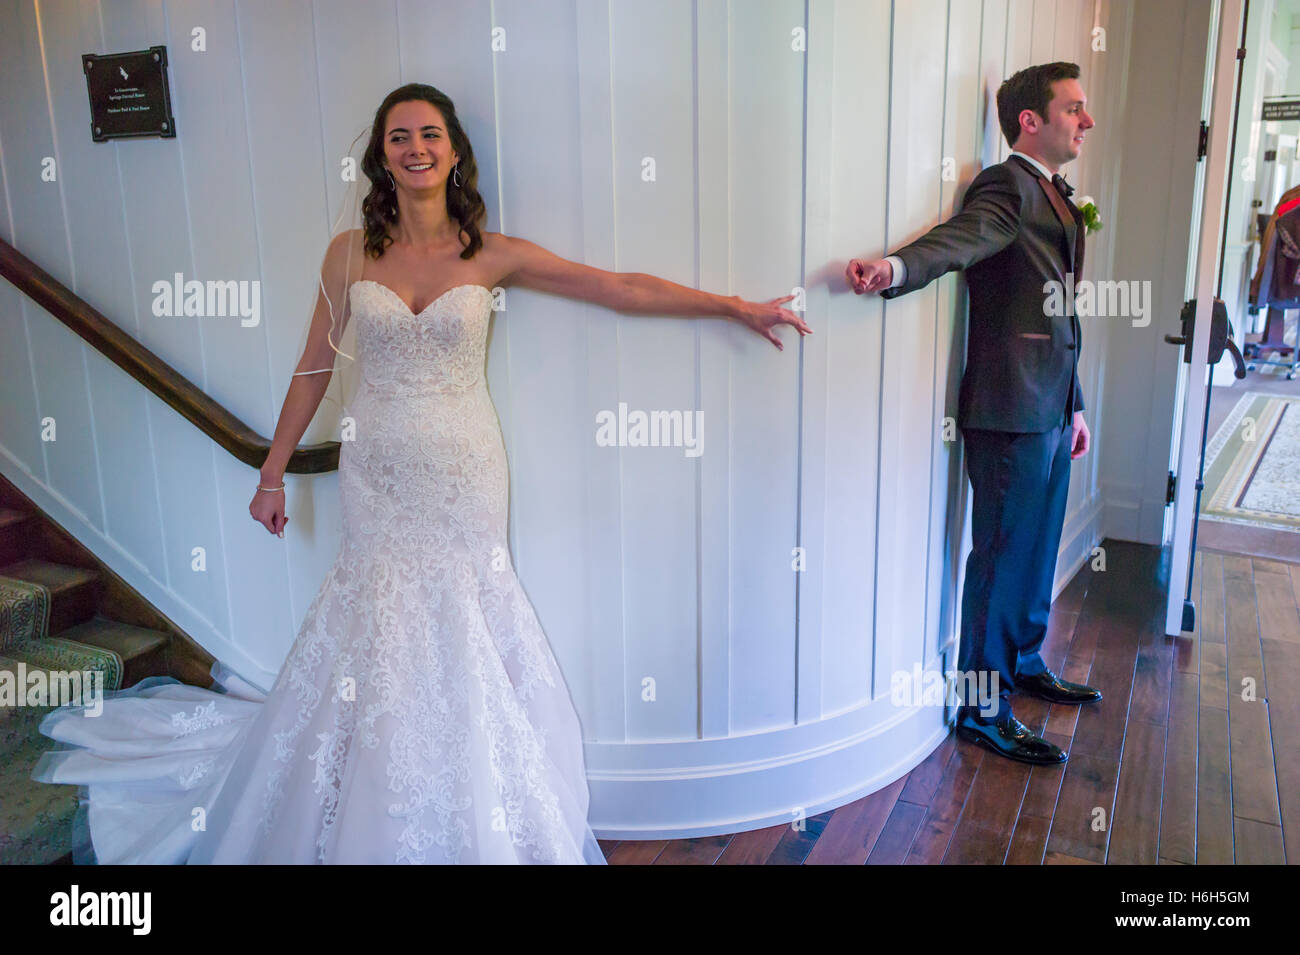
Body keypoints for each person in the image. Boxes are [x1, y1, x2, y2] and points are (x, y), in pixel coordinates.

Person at [31, 83, 811, 863]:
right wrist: (271, 470)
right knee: (378, 617)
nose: (415, 148)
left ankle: (469, 796)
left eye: (429, 133)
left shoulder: (491, 251)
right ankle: (373, 787)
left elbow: (617, 287)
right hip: (376, 471)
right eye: (398, 137)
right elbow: (313, 370)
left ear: (455, 150)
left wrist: (734, 306)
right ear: (381, 158)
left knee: (467, 614)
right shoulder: (349, 254)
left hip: (467, 471)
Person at [846, 62, 1102, 766]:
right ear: (1031, 120)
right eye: (1074, 108)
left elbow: (1060, 309)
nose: (1086, 121)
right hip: (1007, 406)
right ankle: (981, 707)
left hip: (1050, 406)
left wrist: (1075, 405)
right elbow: (959, 240)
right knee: (996, 555)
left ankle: (1021, 660)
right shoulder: (1006, 186)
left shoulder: (1056, 193)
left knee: (1036, 546)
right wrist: (894, 269)